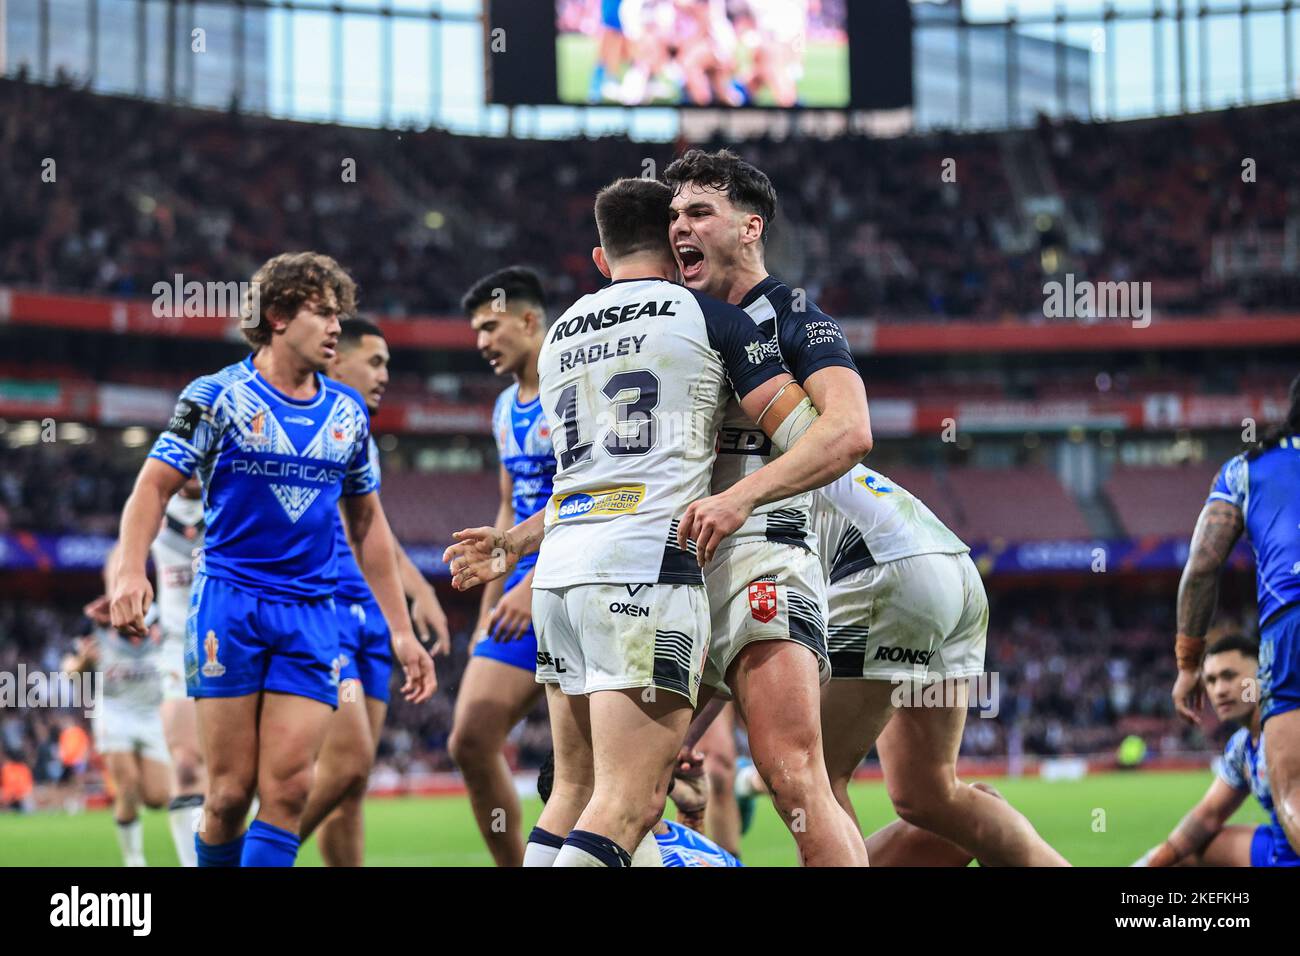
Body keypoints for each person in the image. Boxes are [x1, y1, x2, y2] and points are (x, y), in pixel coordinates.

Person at [445, 176, 869, 867]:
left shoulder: (558, 339)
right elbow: (812, 434)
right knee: (630, 802)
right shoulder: (709, 318)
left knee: (572, 791)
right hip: (650, 568)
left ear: (601, 255)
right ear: (673, 250)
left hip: (559, 574)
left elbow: (593, 474)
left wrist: (515, 541)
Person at [109, 251, 434, 867]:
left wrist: (400, 628)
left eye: (341, 314)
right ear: (279, 315)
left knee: (288, 788)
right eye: (322, 312)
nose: (337, 327)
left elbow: (366, 524)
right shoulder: (215, 397)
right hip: (229, 605)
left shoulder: (348, 414)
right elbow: (151, 487)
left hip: (313, 613)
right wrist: (130, 570)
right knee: (229, 795)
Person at [666, 147, 874, 865]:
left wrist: (740, 495)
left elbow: (850, 433)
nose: (679, 228)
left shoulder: (792, 314)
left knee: (792, 777)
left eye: (698, 213)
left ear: (750, 227)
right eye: (672, 216)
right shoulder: (687, 321)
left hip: (770, 554)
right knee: (645, 771)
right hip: (696, 569)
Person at [298, 317, 451, 866]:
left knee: (351, 786)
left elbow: (374, 531)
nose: (386, 374)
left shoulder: (358, 431)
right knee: (347, 764)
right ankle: (256, 855)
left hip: (369, 615)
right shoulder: (315, 420)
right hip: (327, 607)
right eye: (377, 362)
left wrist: (416, 595)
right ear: (337, 360)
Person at [447, 267, 556, 866]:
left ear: (529, 320)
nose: (482, 341)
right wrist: (493, 603)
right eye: (476, 331)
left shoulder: (571, 389)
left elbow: (596, 489)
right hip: (517, 587)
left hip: (579, 579)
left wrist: (536, 582)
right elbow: (509, 505)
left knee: (595, 759)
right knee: (469, 739)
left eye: (491, 326)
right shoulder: (501, 409)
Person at [1173, 372, 1300, 854]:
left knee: (1293, 793)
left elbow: (1203, 567)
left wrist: (1188, 665)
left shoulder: (1247, 469)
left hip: (1292, 619)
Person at [89, 476, 207, 865]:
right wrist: (118, 586)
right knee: (187, 767)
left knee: (236, 778)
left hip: (231, 637)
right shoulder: (157, 502)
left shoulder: (229, 495)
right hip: (174, 648)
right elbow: (121, 552)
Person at [1139, 635, 1299, 867]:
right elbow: (1208, 815)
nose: (1219, 690)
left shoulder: (1290, 728)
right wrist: (1155, 862)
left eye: (1229, 676)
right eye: (1211, 680)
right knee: (1181, 854)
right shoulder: (1241, 746)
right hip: (1279, 853)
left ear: (1263, 676)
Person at [65, 614, 170, 866]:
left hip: (151, 714)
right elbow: (69, 671)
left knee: (158, 797)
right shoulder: (94, 625)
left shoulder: (160, 617)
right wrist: (84, 661)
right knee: (128, 785)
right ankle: (134, 859)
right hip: (114, 713)